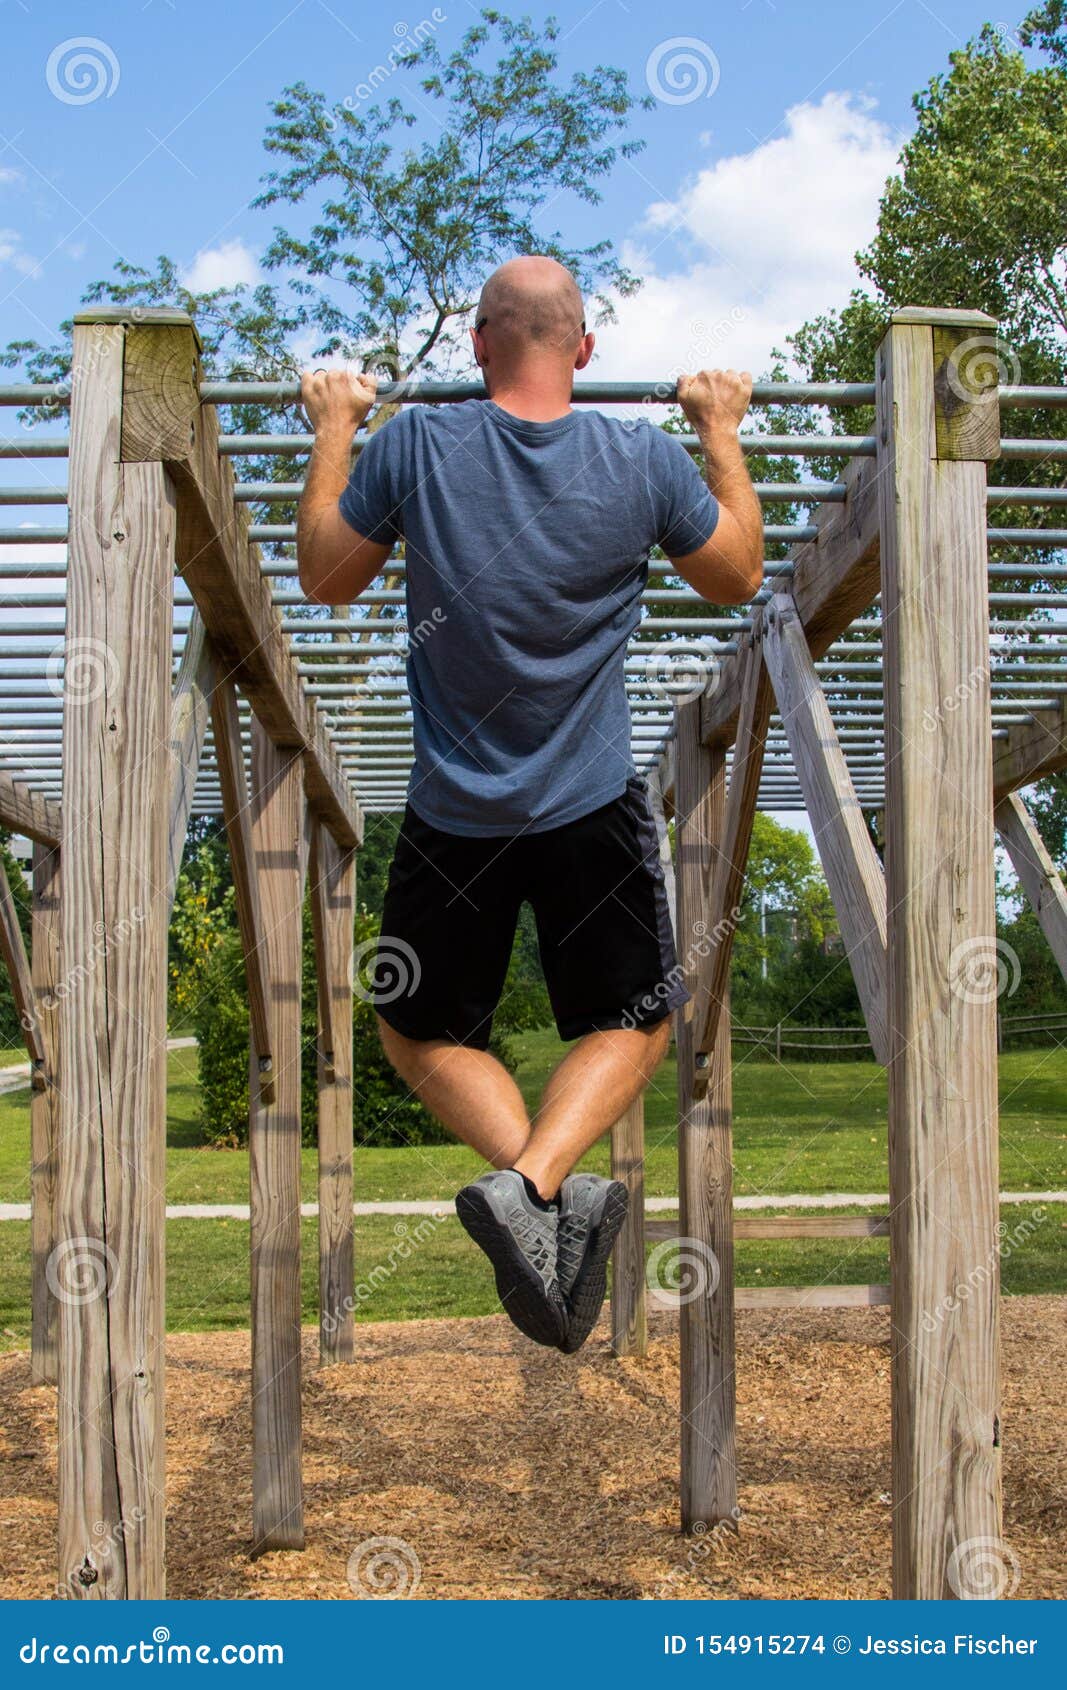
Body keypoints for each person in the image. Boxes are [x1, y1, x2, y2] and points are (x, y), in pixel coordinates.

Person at [297, 256, 762, 1354]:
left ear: (476, 346)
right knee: (639, 1017)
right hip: (589, 806)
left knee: (415, 1031)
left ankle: (529, 1187)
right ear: (585, 352)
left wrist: (335, 420)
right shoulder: (640, 460)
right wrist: (718, 429)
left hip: (453, 810)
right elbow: (738, 575)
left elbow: (323, 575)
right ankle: (542, 1181)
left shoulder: (413, 444)